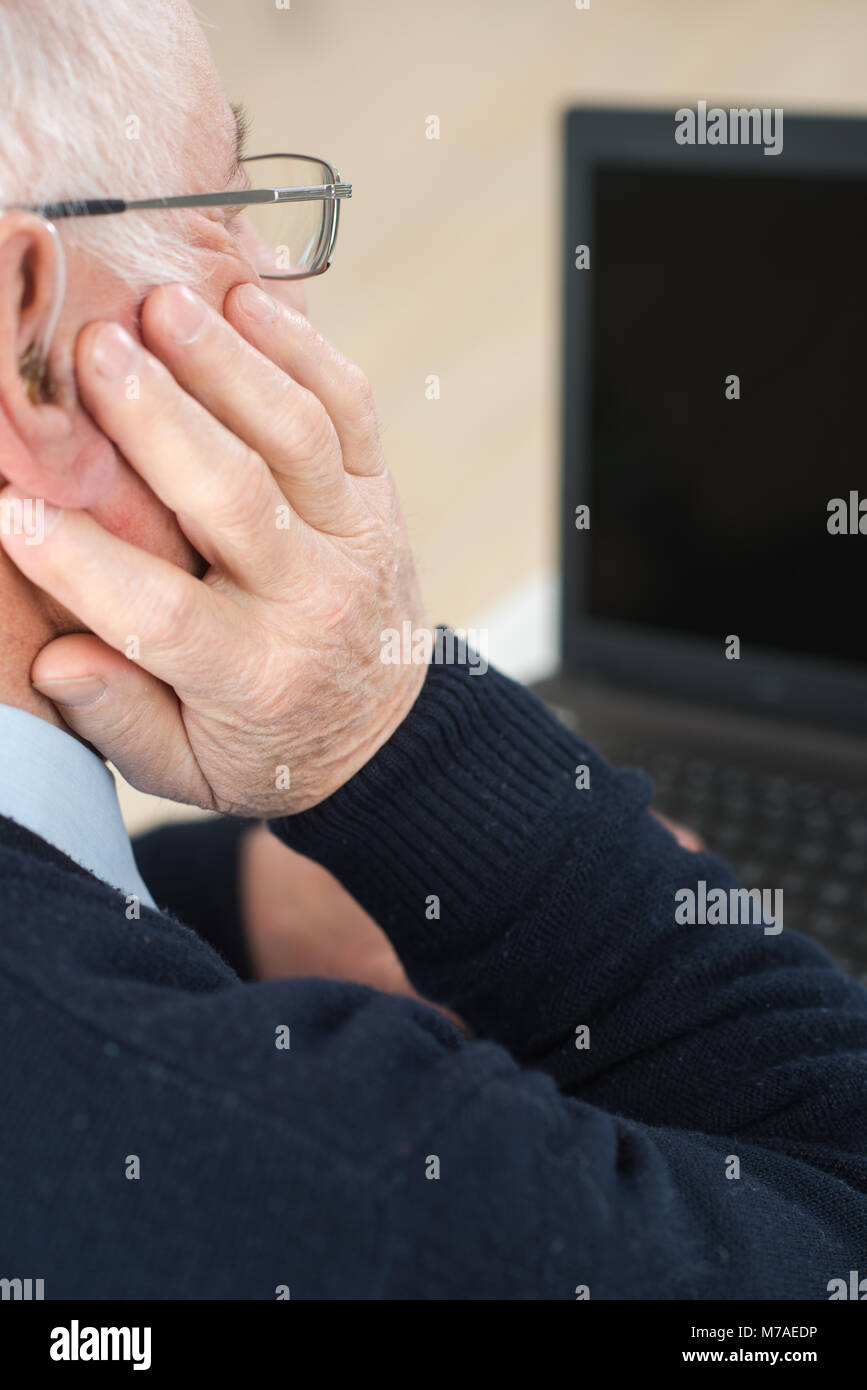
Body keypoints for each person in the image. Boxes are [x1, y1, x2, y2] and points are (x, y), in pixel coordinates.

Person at [0, 0, 865, 1300]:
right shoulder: (337, 1177)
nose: (277, 278)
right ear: (24, 336)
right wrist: (395, 744)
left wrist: (222, 901)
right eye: (221, 202)